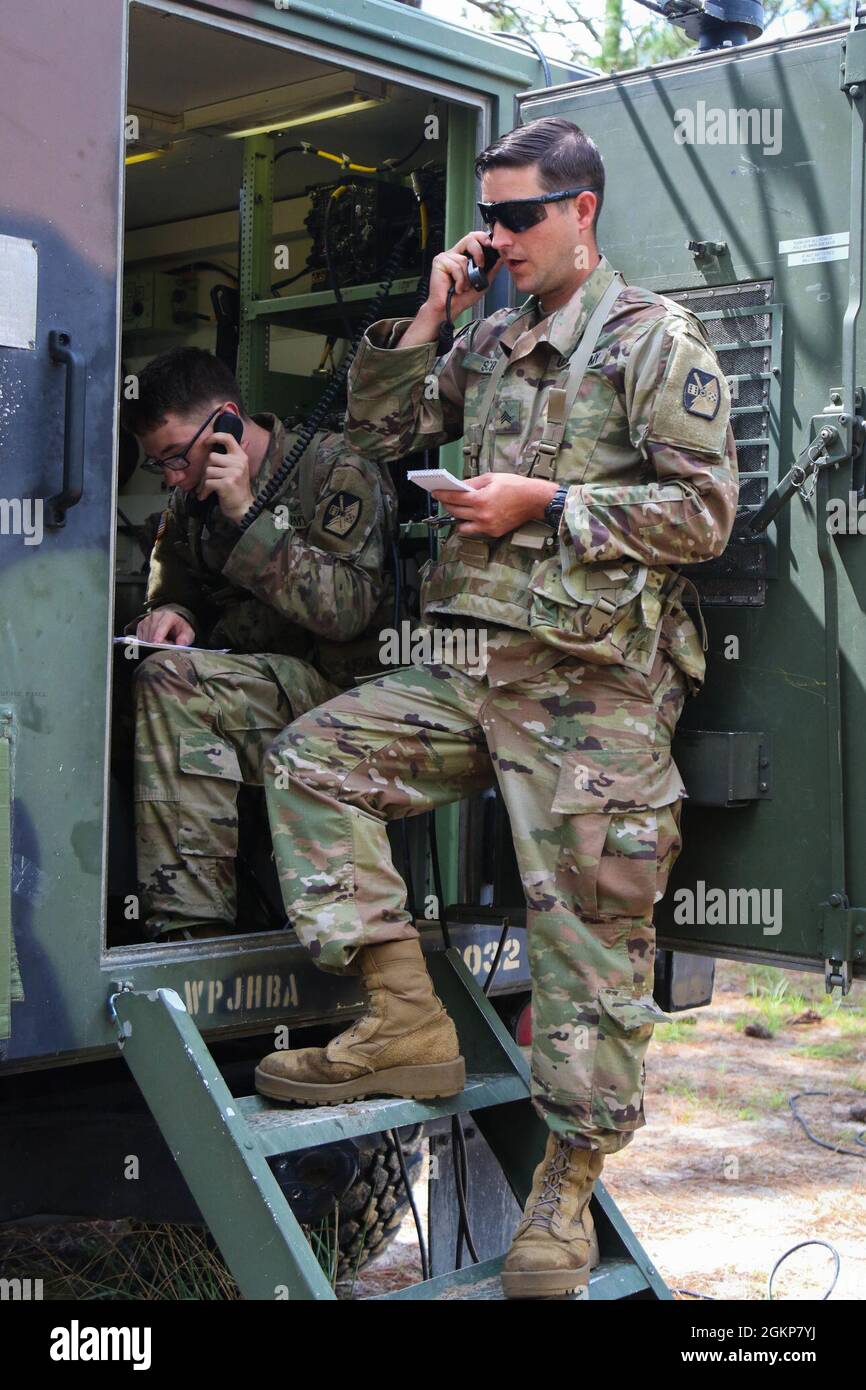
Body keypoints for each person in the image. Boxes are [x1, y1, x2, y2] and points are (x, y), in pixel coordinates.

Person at [256, 117, 739, 1298]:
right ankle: (406, 1021)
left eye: (517, 217)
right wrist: (429, 317)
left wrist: (544, 502)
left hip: (592, 691)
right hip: (473, 673)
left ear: (580, 211)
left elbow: (704, 514)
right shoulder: (492, 334)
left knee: (586, 952)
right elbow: (377, 438)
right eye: (488, 219)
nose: (498, 238)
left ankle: (563, 1196)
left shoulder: (648, 338)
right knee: (311, 759)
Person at [120, 347, 396, 943]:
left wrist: (247, 513)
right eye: (157, 464)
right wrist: (171, 611)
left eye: (174, 457)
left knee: (172, 684)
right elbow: (173, 582)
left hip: (340, 694)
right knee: (140, 674)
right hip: (253, 682)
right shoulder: (188, 497)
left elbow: (345, 610)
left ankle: (188, 931)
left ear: (226, 421)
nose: (171, 477)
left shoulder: (336, 469)